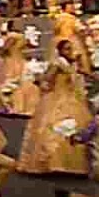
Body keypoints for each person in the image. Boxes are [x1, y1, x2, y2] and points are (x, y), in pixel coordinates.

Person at [18, 40, 92, 175]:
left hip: (72, 98)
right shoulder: (58, 63)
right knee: (52, 127)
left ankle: (71, 164)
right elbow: (46, 78)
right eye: (66, 49)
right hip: (56, 98)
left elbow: (82, 74)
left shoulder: (72, 63)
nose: (69, 52)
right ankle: (52, 161)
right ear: (60, 51)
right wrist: (43, 84)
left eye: (70, 49)